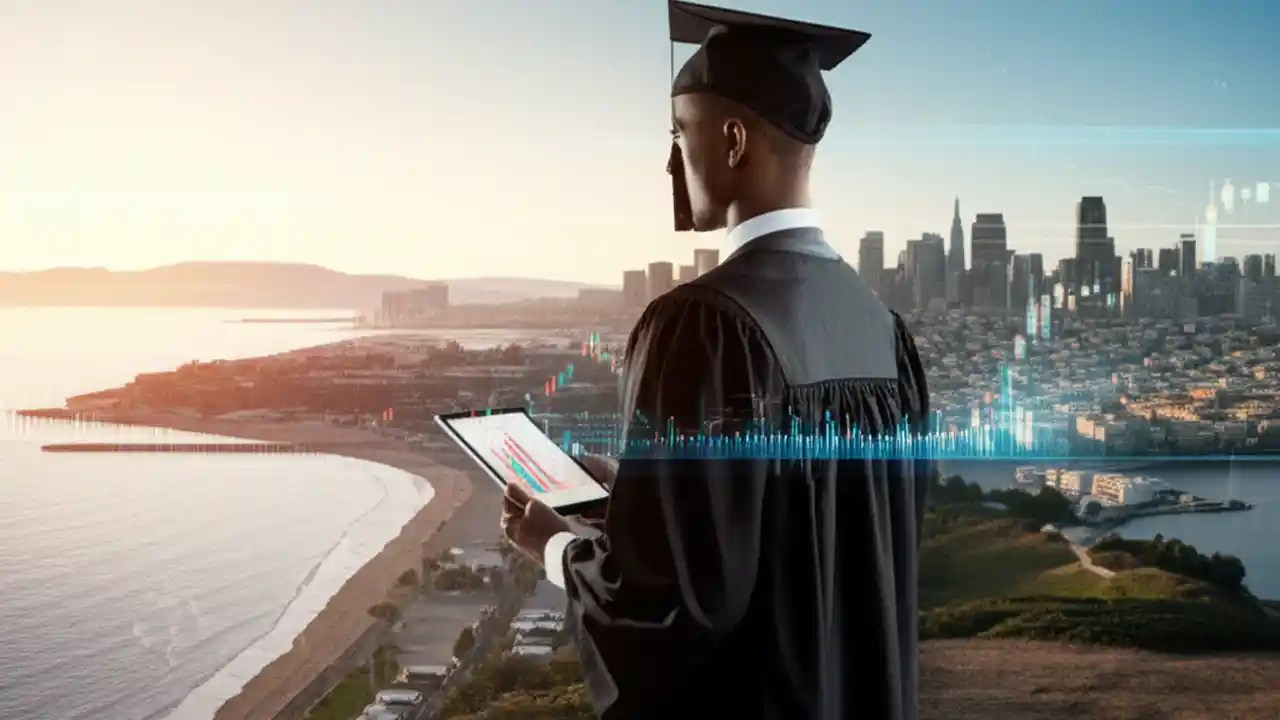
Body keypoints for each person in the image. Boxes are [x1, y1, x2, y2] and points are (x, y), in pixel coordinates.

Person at [501, 3, 931, 718]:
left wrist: (555, 550)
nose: (670, 160)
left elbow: (674, 609)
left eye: (678, 133)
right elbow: (830, 549)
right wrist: (640, 508)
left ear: (732, 140)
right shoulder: (884, 331)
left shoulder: (705, 324)